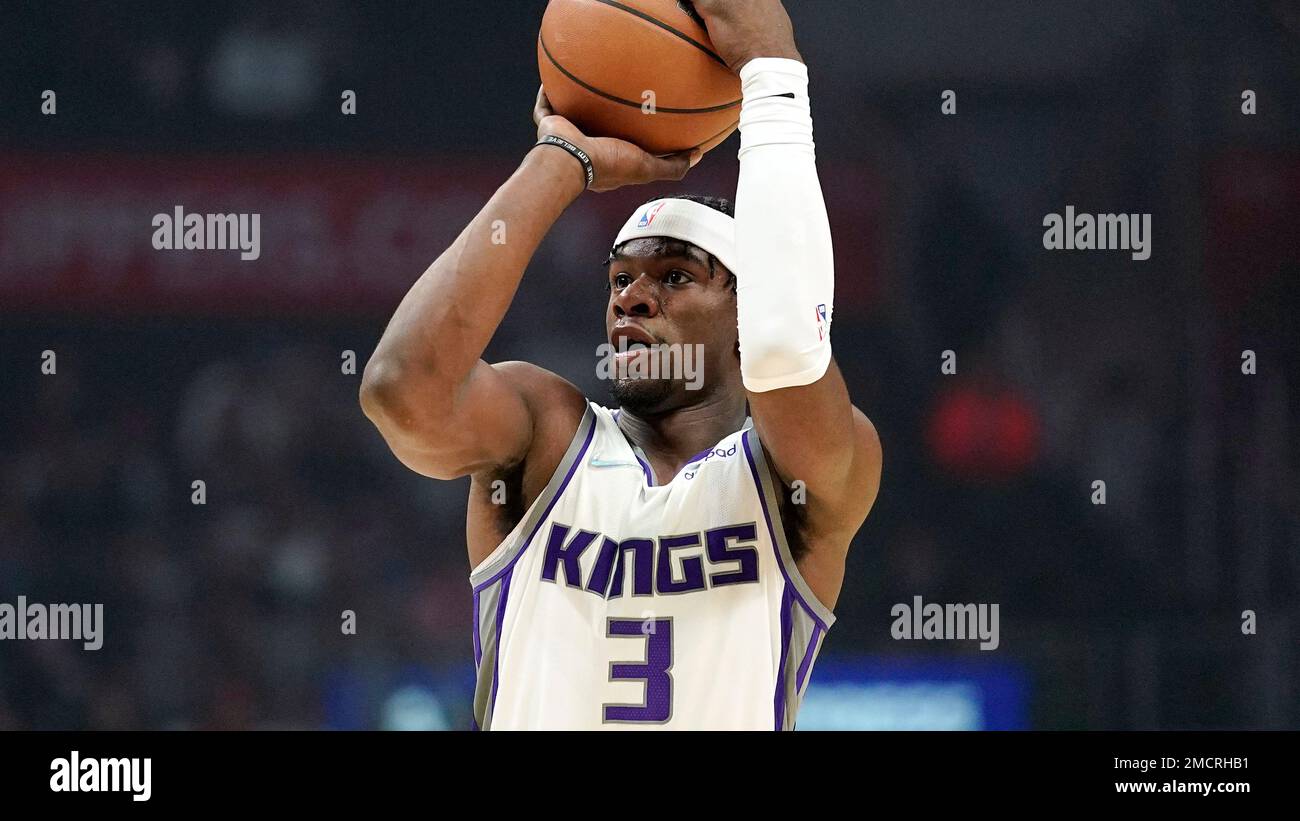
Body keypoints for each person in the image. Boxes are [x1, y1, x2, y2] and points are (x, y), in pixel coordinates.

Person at [360, 0, 881, 730]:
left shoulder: (799, 471)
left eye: (675, 276)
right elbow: (400, 389)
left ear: (744, 311)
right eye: (619, 280)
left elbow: (789, 346)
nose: (632, 297)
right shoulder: (545, 435)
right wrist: (560, 161)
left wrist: (773, 76)